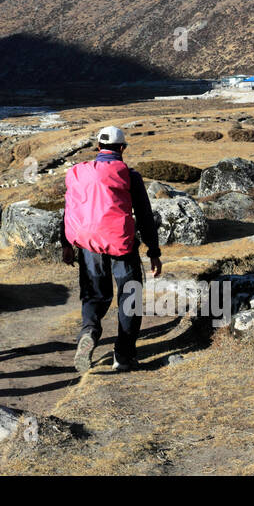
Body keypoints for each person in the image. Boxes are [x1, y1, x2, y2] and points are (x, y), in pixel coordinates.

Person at [62, 125, 162, 373]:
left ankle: (89, 333)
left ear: (98, 148)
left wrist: (66, 245)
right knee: (129, 297)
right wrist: (154, 252)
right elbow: (145, 216)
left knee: (94, 294)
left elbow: (69, 210)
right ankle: (123, 356)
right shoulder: (129, 175)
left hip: (88, 245)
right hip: (122, 245)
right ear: (122, 149)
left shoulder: (79, 173)